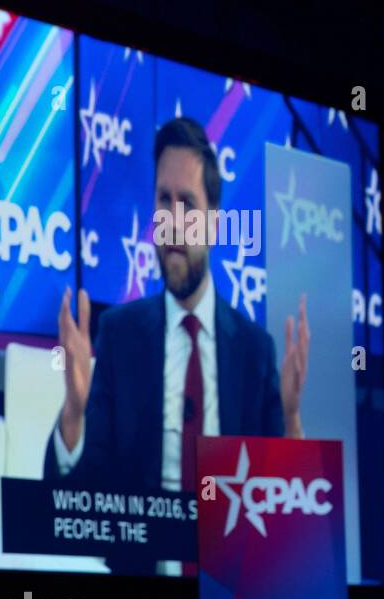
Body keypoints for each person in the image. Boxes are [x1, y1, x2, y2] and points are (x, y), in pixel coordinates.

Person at [44, 117, 310, 574]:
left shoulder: (253, 350)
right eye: (163, 201)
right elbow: (75, 501)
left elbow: (286, 511)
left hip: (230, 592)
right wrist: (73, 411)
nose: (172, 221)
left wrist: (289, 417)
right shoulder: (121, 336)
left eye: (187, 203)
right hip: (139, 598)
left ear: (214, 223)